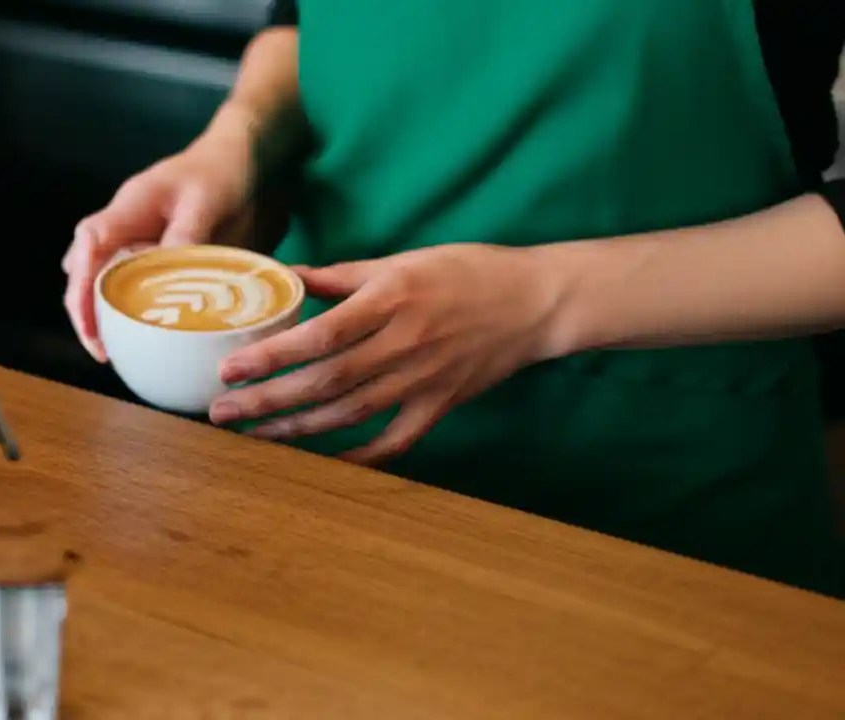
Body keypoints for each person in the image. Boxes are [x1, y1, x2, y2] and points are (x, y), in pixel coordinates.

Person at [62, 1, 845, 596]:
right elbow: (301, 26)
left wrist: (538, 301)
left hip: (660, 531)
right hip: (299, 485)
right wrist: (239, 141)